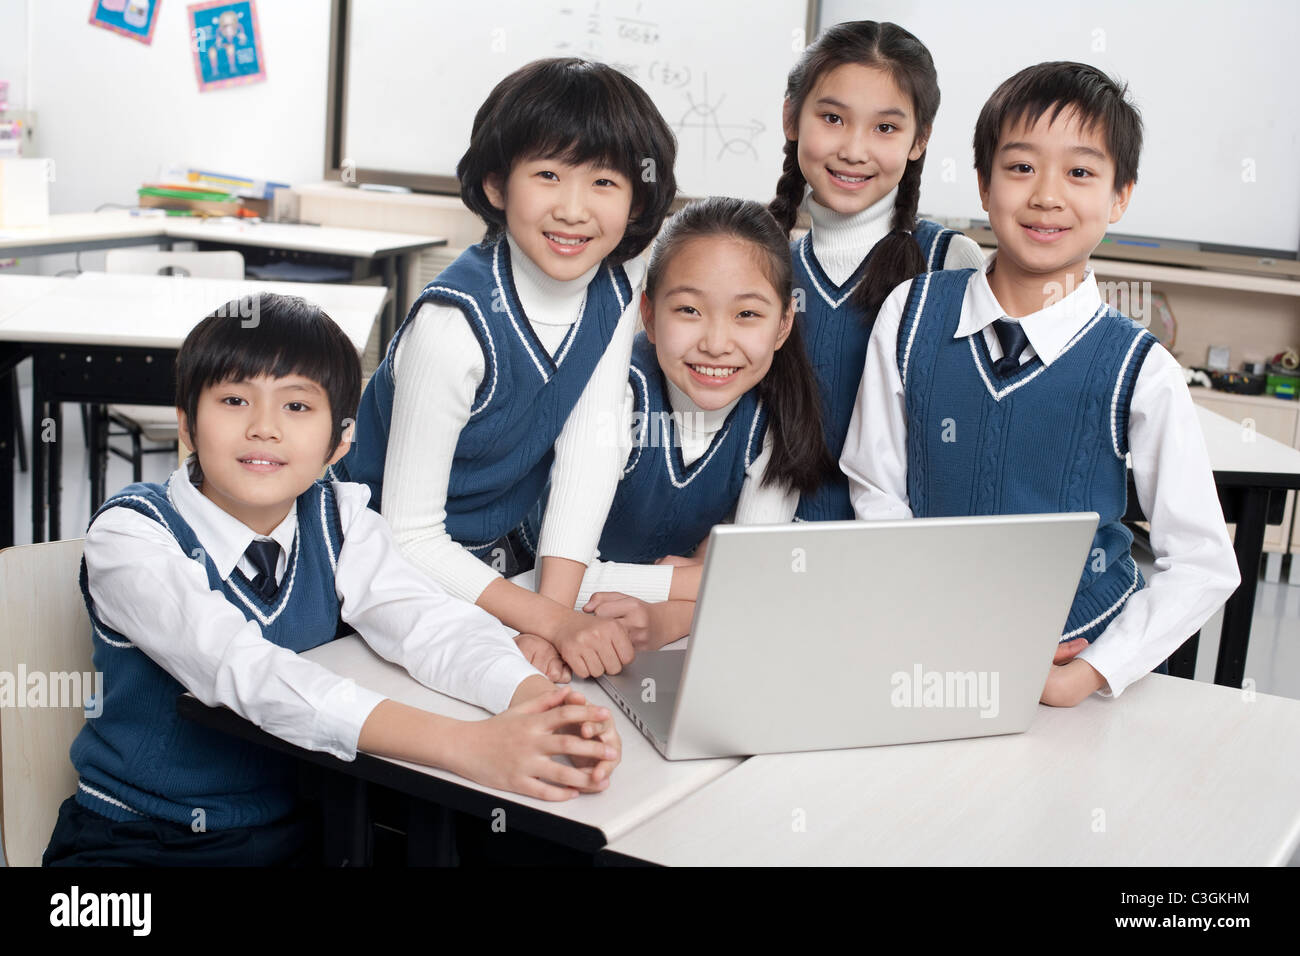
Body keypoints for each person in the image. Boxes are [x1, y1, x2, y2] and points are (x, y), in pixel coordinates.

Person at [44, 294, 619, 867]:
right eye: (235, 399)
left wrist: (542, 705)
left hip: (304, 830)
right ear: (188, 425)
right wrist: (466, 746)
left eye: (296, 407)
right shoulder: (131, 536)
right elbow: (247, 673)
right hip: (141, 839)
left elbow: (427, 623)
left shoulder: (339, 516)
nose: (264, 428)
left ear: (339, 440)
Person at [841, 62, 1240, 705]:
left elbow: (1202, 561)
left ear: (1120, 195)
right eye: (1021, 167)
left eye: (1080, 172)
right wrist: (931, 618)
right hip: (928, 648)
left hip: (1074, 667)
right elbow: (876, 485)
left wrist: (1092, 673)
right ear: (982, 183)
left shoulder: (1140, 368)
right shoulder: (911, 314)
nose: (1046, 195)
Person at [331, 58, 678, 683]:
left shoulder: (613, 296)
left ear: (637, 199)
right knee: (502, 694)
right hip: (380, 568)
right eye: (547, 174)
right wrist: (553, 622)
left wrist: (550, 616)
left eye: (604, 182)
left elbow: (588, 457)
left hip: (494, 564)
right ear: (497, 186)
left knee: (617, 630)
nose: (573, 210)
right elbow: (408, 536)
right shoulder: (454, 327)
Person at [533, 197, 833, 655]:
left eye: (747, 315)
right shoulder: (618, 396)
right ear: (649, 315)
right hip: (520, 616)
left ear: (783, 323)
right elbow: (554, 581)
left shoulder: (776, 415)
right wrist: (698, 576)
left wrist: (672, 617)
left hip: (628, 641)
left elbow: (759, 582)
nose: (716, 344)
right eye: (689, 310)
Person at [769, 20, 986, 521]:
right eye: (832, 118)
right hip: (772, 547)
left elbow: (964, 443)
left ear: (919, 139)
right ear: (791, 118)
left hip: (900, 558)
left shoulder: (949, 262)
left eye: (885, 127)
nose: (854, 150)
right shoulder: (763, 260)